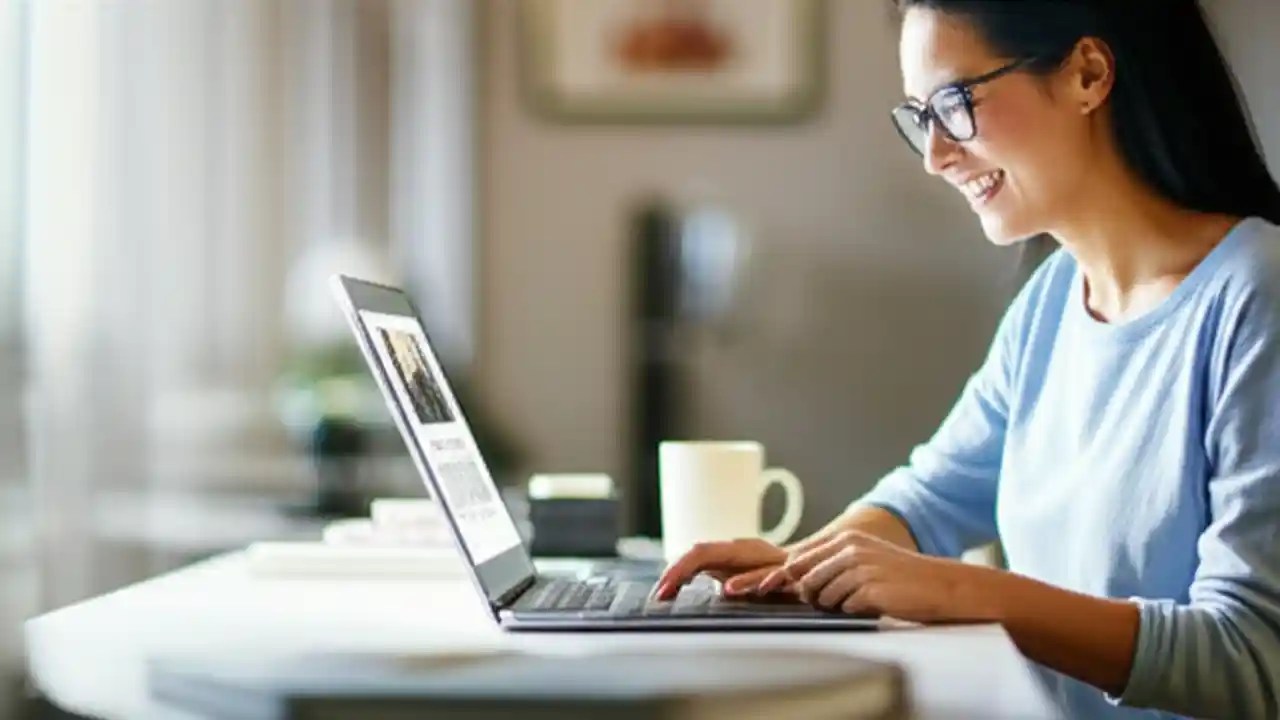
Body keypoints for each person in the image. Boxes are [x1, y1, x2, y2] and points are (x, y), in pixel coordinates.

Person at [653, 1, 1280, 718]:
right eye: (921, 117)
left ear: (1087, 73)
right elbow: (928, 498)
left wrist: (957, 591)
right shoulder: (1051, 299)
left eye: (953, 104)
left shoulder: (1258, 297)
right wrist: (797, 566)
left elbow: (1252, 655)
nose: (935, 156)